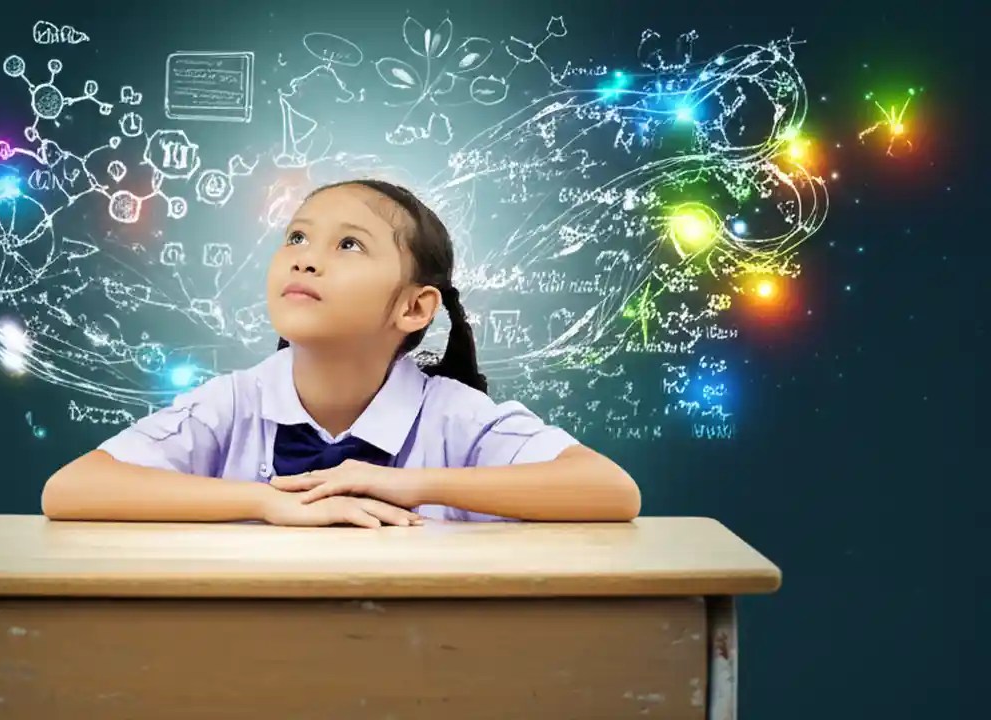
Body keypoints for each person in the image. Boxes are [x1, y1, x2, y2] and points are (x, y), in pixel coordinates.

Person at [41, 179, 640, 527]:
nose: (304, 256)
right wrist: (266, 502)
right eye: (296, 237)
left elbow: (611, 491)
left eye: (349, 244)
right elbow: (70, 490)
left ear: (413, 308)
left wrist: (416, 486)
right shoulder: (232, 402)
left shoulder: (455, 416)